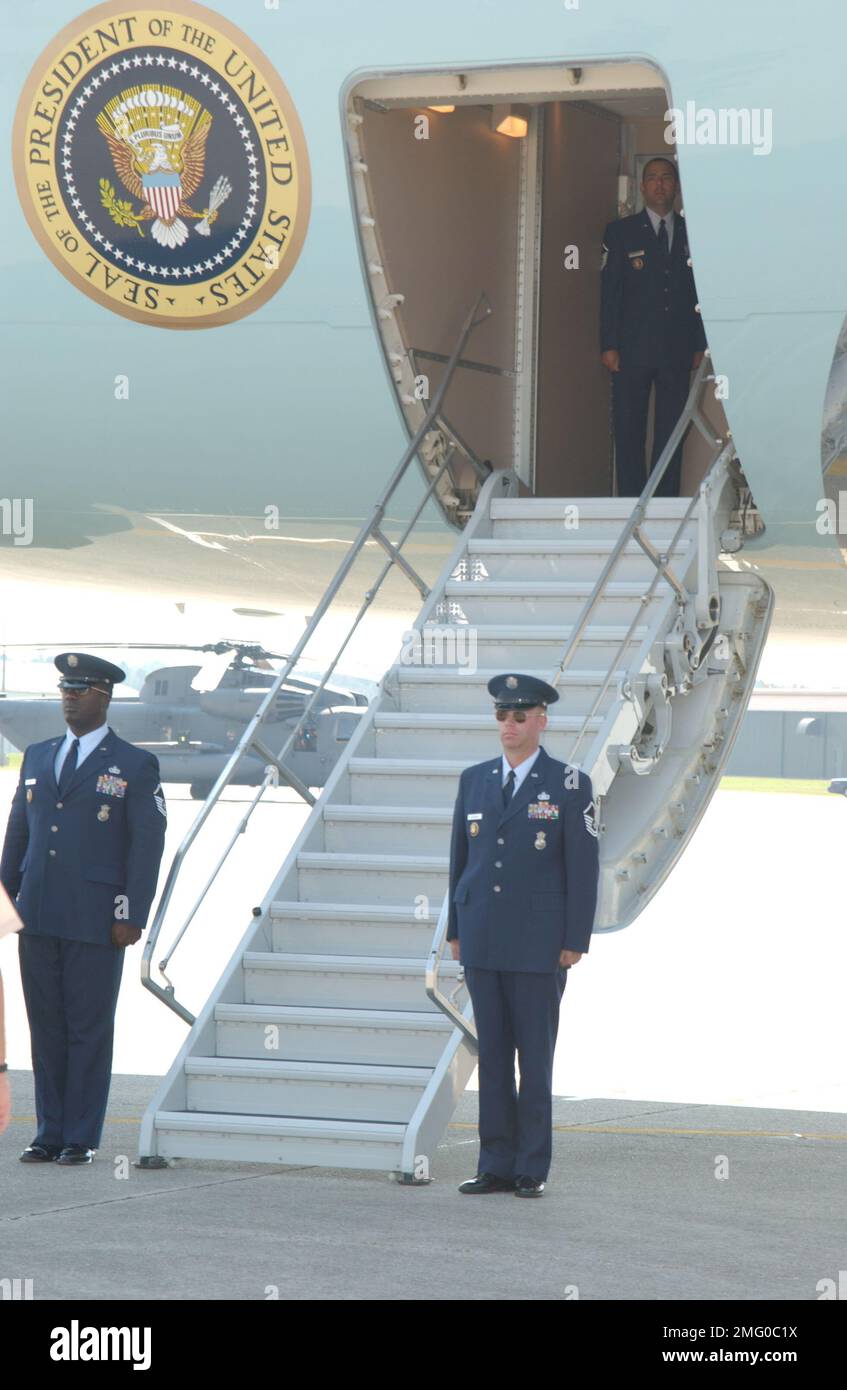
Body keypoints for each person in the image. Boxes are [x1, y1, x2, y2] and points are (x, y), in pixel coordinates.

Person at [0, 653, 167, 1166]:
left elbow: (146, 846)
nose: (69, 697)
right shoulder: (38, 755)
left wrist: (130, 914)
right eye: (65, 688)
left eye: (79, 689)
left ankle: (81, 1136)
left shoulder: (133, 764)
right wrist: (4, 902)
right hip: (37, 913)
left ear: (104, 696)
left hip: (96, 918)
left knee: (88, 1029)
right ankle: (48, 1133)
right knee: (45, 1027)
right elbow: (19, 834)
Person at [447, 673, 600, 1197]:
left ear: (541, 721)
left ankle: (531, 1167)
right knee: (492, 1057)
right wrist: (456, 928)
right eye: (501, 715)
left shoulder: (570, 784)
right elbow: (460, 860)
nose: (508, 725)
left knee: (534, 1060)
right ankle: (494, 1164)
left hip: (539, 943)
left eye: (518, 716)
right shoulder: (474, 779)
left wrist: (575, 938)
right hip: (482, 937)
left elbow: (583, 868)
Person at [600, 156, 706, 497]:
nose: (660, 184)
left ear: (677, 186)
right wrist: (608, 344)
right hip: (631, 349)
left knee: (672, 430)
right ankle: (631, 502)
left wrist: (699, 344)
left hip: (677, 349)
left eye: (667, 177)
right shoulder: (621, 232)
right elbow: (610, 292)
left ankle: (664, 503)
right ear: (643, 187)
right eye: (653, 178)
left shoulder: (694, 232)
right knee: (629, 427)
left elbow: (702, 292)